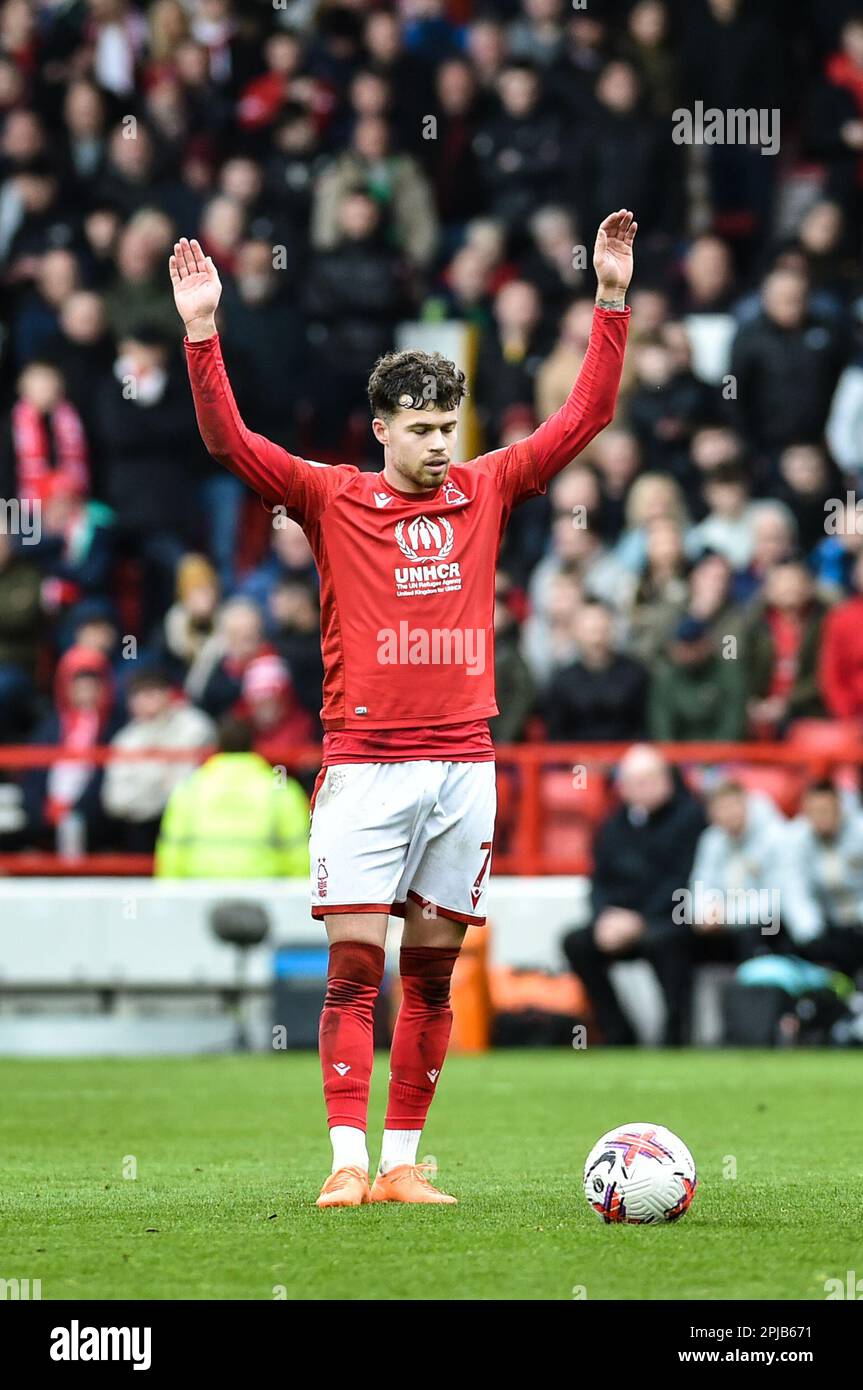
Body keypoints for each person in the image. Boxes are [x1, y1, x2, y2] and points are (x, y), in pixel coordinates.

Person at [170, 210, 635, 1206]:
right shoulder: (329, 496)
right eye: (418, 427)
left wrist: (607, 302)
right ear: (380, 428)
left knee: (429, 979)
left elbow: (584, 419)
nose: (435, 443)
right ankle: (344, 1161)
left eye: (444, 426)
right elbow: (227, 441)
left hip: (464, 767)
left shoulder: (488, 487)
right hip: (366, 767)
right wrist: (203, 333)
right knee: (352, 972)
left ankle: (400, 1164)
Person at [562, 744, 705, 1046]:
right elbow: (598, 881)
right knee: (576, 942)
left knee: (666, 942)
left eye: (648, 780)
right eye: (632, 783)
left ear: (666, 779)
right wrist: (604, 918)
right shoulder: (614, 825)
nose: (640, 789)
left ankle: (675, 1037)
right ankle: (617, 1033)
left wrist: (640, 920)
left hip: (667, 919)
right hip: (618, 922)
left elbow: (683, 879)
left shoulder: (690, 818)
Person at [154, 715, 309, 879]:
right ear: (253, 746)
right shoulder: (281, 788)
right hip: (264, 889)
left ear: (217, 747)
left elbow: (172, 849)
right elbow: (298, 851)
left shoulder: (190, 787)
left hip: (200, 887)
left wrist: (170, 894)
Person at [101, 668, 214, 852]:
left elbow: (184, 790)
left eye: (153, 692)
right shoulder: (125, 740)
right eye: (140, 694)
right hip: (140, 826)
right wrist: (158, 780)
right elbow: (116, 801)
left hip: (186, 823)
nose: (147, 700)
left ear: (168, 694)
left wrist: (147, 785)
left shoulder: (194, 727)